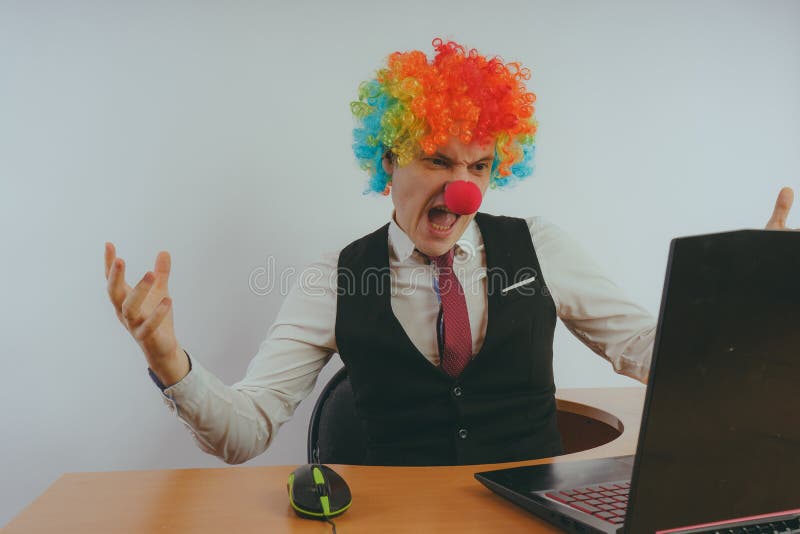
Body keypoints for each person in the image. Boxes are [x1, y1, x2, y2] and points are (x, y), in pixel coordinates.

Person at [104, 39, 796, 466]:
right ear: (388, 159)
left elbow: (648, 350)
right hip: (393, 521)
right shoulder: (338, 277)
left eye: (482, 166)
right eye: (437, 160)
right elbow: (246, 433)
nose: (461, 190)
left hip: (532, 514)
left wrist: (744, 304)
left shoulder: (541, 248)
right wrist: (170, 362)